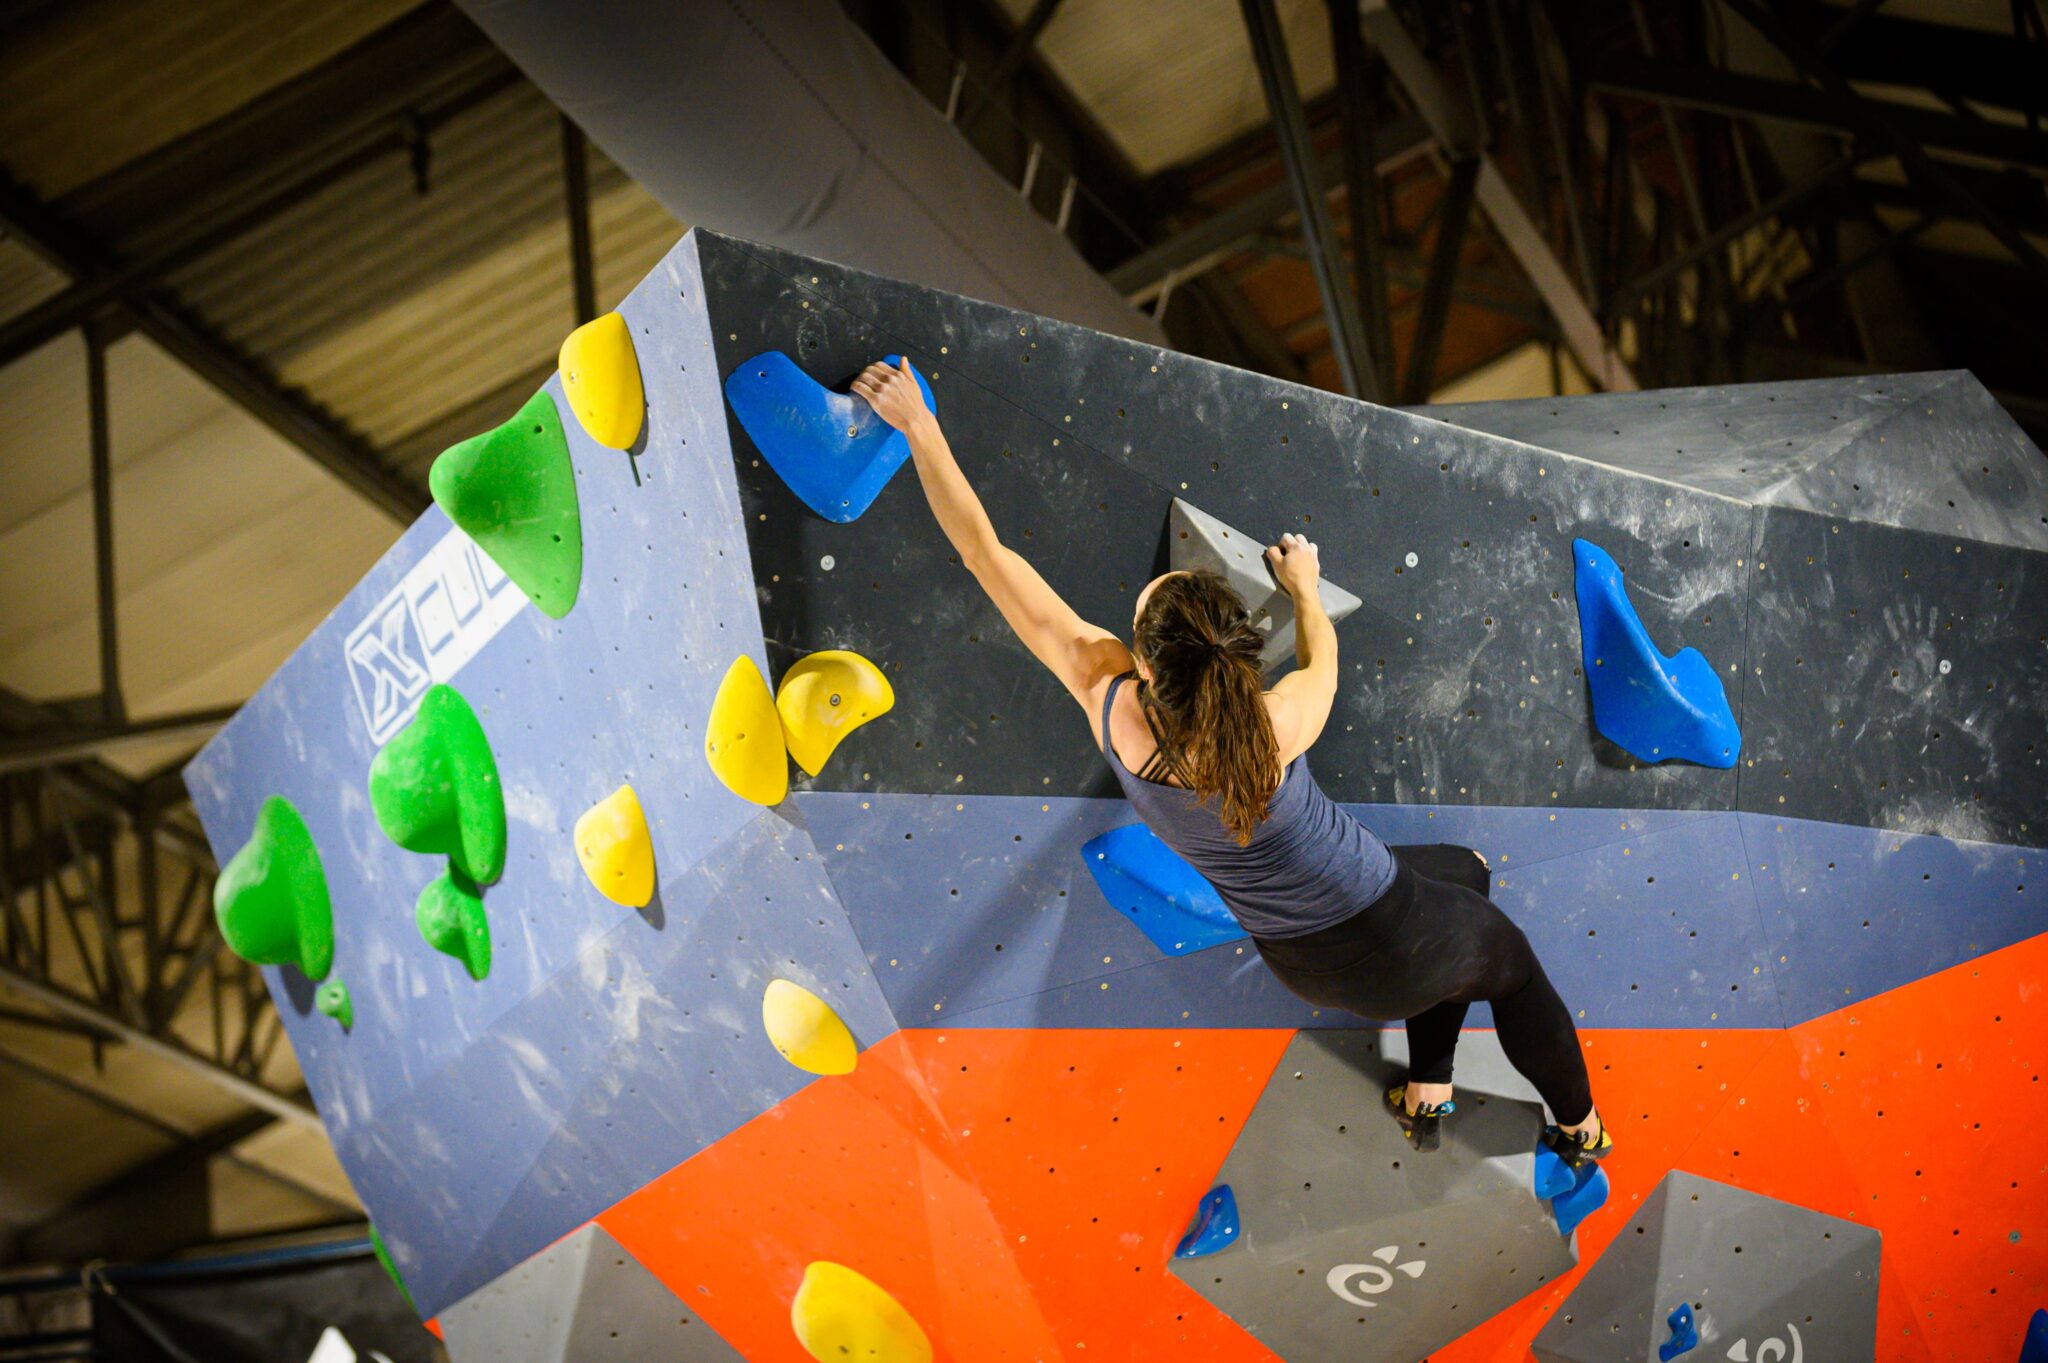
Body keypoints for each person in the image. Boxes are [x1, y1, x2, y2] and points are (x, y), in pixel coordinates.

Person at [852, 358, 1609, 1166]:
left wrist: (920, 428)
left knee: (1466, 872)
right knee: (1516, 972)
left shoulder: (1111, 708)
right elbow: (1323, 653)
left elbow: (985, 553)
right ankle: (1582, 1130)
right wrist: (1305, 584)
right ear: (1242, 650)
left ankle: (1429, 1086)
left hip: (1301, 963)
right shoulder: (1279, 720)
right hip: (1392, 928)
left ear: (1144, 665)